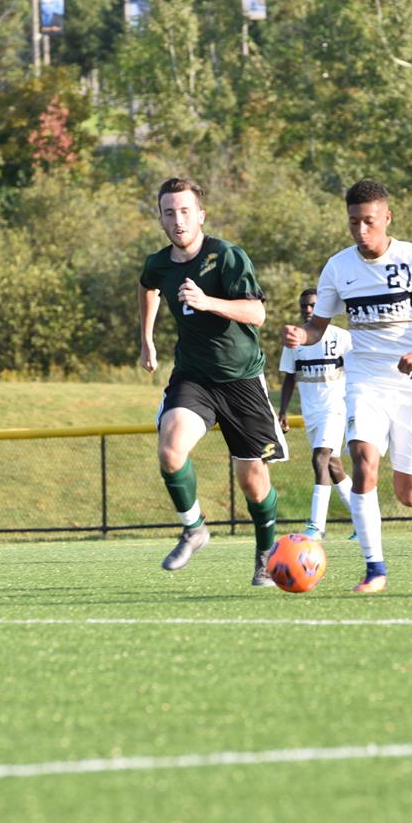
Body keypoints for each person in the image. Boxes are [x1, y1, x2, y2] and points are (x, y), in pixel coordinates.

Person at [282, 180, 412, 593]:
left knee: (409, 492)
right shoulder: (337, 268)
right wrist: (302, 335)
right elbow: (318, 327)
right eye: (354, 223)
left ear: (387, 218)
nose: (361, 231)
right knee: (363, 463)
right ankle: (375, 569)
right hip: (364, 381)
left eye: (369, 221)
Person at [140, 178, 287, 586]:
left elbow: (257, 314)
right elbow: (147, 286)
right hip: (194, 376)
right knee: (170, 450)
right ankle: (194, 528)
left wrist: (207, 302)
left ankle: (265, 553)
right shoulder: (159, 262)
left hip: (241, 378)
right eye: (169, 212)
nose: (178, 219)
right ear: (161, 218)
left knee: (253, 483)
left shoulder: (226, 256)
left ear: (200, 215)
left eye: (185, 211)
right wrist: (147, 338)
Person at [277, 288, 355, 539]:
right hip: (311, 412)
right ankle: (365, 520)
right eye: (304, 306)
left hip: (335, 408)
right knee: (333, 466)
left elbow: (357, 372)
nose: (307, 310)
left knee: (320, 458)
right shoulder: (294, 340)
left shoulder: (341, 337)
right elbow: (289, 376)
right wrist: (283, 411)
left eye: (312, 305)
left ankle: (316, 527)